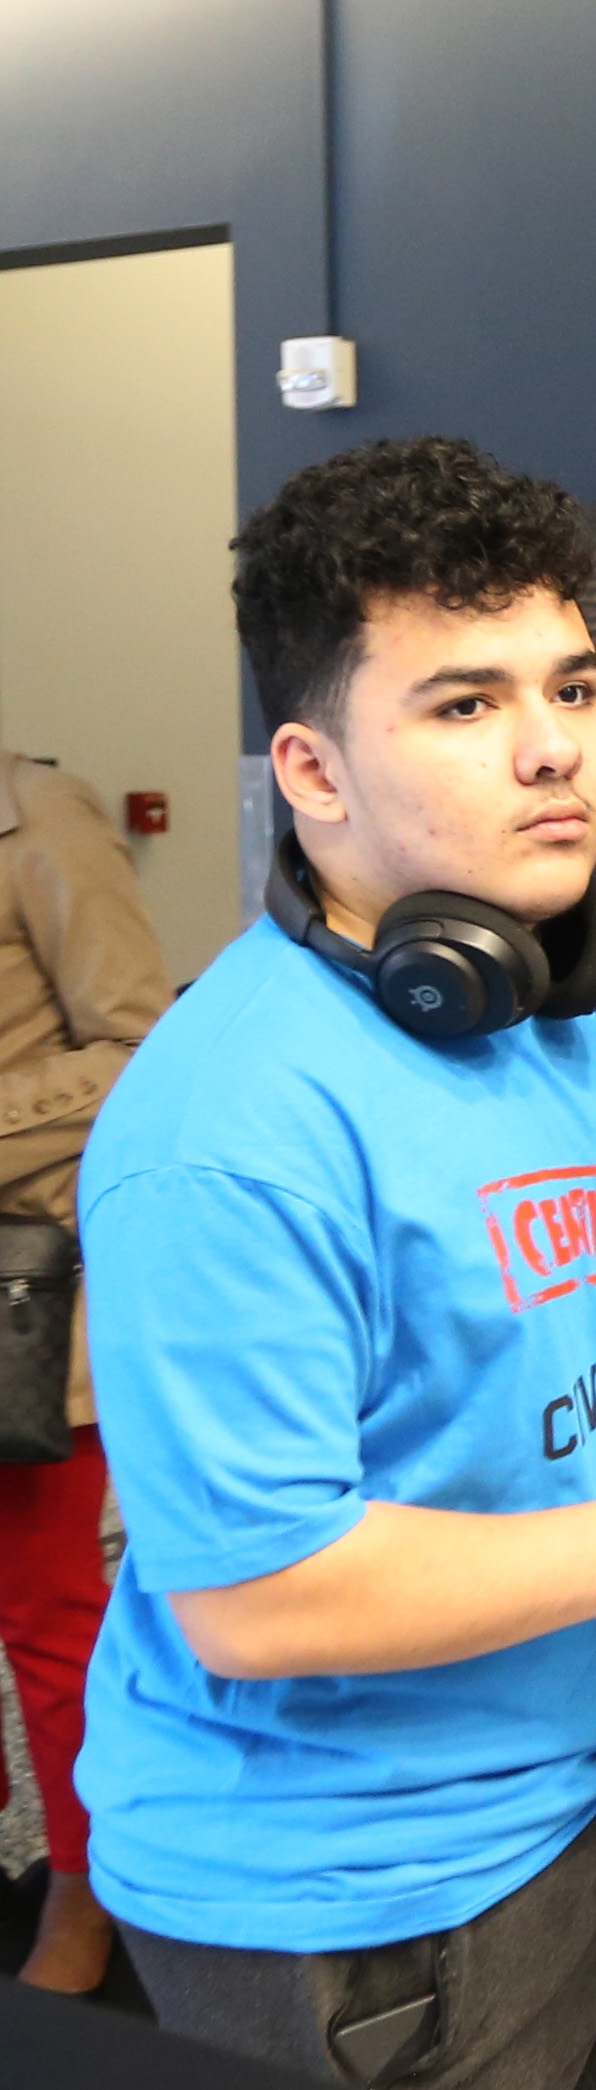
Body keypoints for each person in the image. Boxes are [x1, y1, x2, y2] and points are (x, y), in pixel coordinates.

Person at [74, 438, 596, 2090]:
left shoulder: (546, 994)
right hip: (368, 1896)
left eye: (575, 686)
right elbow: (262, 1592)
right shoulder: (228, 1130)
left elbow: (582, 1320)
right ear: (310, 769)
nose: (555, 753)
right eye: (462, 704)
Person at [0, 751, 171, 1993]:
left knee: (49, 1621)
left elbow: (137, 1048)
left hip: (18, 1300)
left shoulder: (35, 811)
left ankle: (86, 1889)